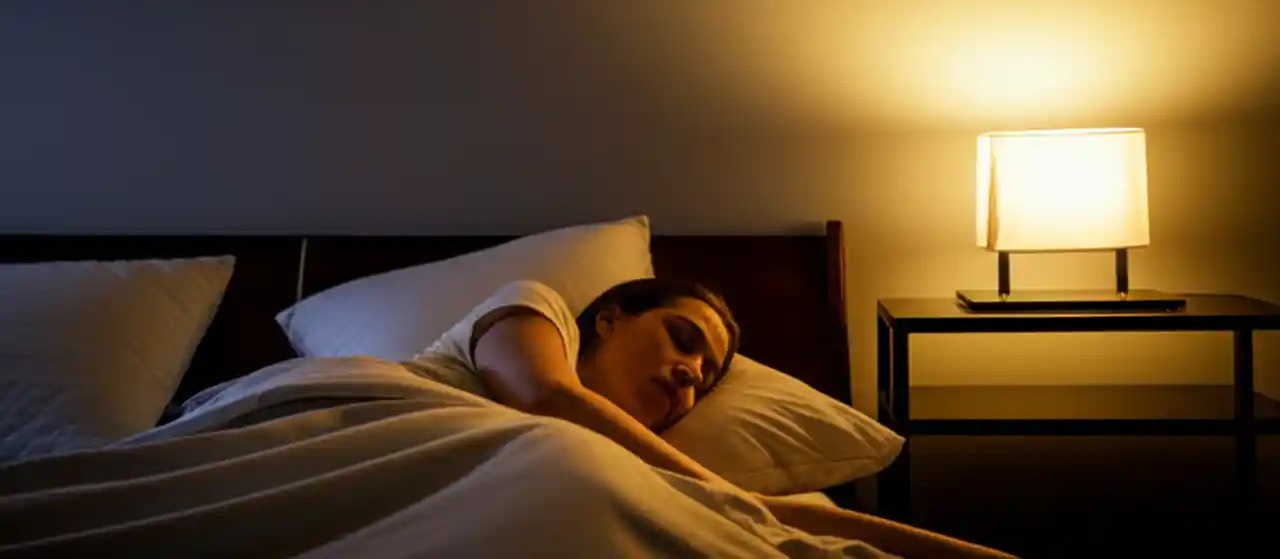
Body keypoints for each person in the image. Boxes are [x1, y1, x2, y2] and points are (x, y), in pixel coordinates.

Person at [411, 277, 1019, 559]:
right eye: (681, 339)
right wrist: (736, 499)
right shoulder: (535, 306)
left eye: (704, 376)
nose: (689, 373)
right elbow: (543, 394)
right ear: (609, 318)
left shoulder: (637, 473)